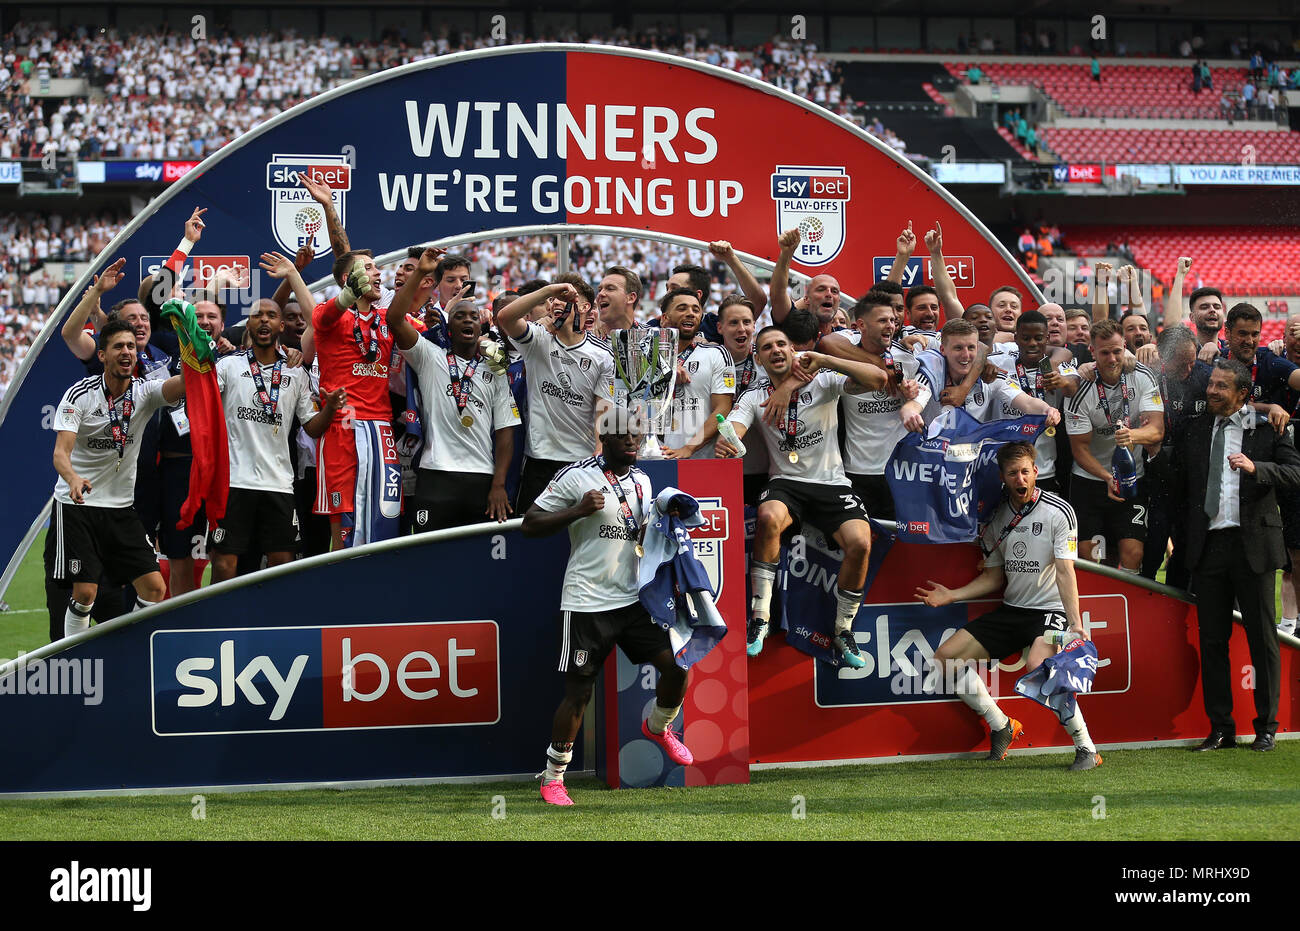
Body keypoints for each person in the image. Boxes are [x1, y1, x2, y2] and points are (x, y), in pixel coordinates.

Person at [523, 422, 692, 806]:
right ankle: (553, 778)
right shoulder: (575, 475)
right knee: (579, 694)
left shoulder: (645, 481)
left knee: (678, 667)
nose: (632, 440)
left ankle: (659, 727)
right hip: (587, 602)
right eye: (622, 435)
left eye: (636, 434)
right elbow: (530, 524)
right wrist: (578, 510)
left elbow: (644, 534)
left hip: (635, 600)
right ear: (606, 438)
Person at [915, 442, 1101, 770]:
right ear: (1003, 477)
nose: (1021, 478)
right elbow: (992, 578)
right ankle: (1002, 725)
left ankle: (1086, 748)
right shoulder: (996, 517)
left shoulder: (1059, 512)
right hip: (1012, 610)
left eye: (1026, 471)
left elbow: (1064, 569)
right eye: (1013, 473)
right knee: (945, 659)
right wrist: (952, 595)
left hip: (1049, 612)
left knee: (1039, 667)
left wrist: (1075, 624)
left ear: (1035, 472)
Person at [718, 327, 887, 666]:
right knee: (767, 517)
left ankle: (842, 629)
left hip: (832, 484)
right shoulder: (754, 396)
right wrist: (729, 442)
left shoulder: (824, 381)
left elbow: (879, 379)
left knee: (862, 542)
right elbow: (734, 430)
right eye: (767, 347)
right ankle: (760, 617)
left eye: (782, 343)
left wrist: (824, 358)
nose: (776, 350)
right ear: (759, 357)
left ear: (793, 349)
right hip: (786, 483)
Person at [1174, 359, 1300, 753]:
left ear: (1243, 394)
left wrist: (1256, 468)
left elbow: (1294, 474)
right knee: (1212, 642)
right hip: (1208, 548)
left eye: (1221, 387)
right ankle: (1221, 729)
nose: (1211, 391)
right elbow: (1181, 487)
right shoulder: (1195, 430)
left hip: (1254, 549)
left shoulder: (1268, 428)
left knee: (1263, 640)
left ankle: (1266, 728)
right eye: (1211, 384)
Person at [49, 319, 187, 638]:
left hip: (121, 509)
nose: (127, 352)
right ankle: (76, 652)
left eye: (131, 346)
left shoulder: (145, 392)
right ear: (102, 356)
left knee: (154, 588)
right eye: (118, 347)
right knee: (85, 593)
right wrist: (72, 478)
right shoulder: (80, 394)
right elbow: (60, 453)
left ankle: (130, 648)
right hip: (77, 506)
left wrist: (195, 349)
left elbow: (183, 385)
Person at [209, 300, 346, 582]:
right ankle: (222, 624)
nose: (263, 321)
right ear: (248, 325)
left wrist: (330, 409)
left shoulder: (296, 372)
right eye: (257, 315)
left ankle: (270, 625)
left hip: (278, 484)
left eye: (271, 316)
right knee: (224, 565)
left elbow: (312, 427)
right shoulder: (228, 366)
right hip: (234, 482)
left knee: (281, 565)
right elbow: (205, 404)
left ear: (281, 327)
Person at [388, 248, 519, 531]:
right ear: (448, 327)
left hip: (480, 477)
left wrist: (498, 484)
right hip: (435, 475)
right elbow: (394, 319)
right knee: (429, 560)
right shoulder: (429, 357)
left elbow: (506, 430)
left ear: (480, 326)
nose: (468, 320)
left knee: (475, 563)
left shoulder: (494, 369)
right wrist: (422, 271)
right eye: (460, 316)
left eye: (474, 316)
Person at [494, 280, 615, 512]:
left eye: (566, 297)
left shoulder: (602, 354)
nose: (557, 302)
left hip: (581, 461)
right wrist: (549, 290)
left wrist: (600, 449)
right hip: (539, 460)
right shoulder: (537, 339)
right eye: (554, 299)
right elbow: (505, 317)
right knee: (532, 534)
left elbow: (604, 408)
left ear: (585, 307)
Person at [1064, 319, 1165, 571]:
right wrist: (1108, 477)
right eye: (1105, 352)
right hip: (1090, 480)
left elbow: (1156, 430)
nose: (1111, 359)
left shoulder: (1142, 376)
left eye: (1117, 351)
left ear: (1124, 348)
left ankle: (1128, 608)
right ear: (1092, 352)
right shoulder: (1079, 389)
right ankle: (1095, 608)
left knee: (1133, 553)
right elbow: (1080, 450)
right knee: (1090, 556)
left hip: (1132, 478)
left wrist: (1133, 436)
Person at [820, 292, 930, 519]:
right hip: (856, 470)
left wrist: (912, 395)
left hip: (900, 469)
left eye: (892, 320)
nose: (891, 325)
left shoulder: (906, 357)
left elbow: (924, 388)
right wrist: (880, 366)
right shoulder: (845, 356)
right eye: (882, 321)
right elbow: (826, 342)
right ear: (861, 325)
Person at [988, 310, 1080, 491]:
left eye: (1038, 338)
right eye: (1025, 338)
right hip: (1005, 468)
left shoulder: (1055, 365)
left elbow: (1073, 385)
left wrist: (1063, 381)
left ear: (1047, 338)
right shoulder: (1000, 363)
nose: (1032, 344)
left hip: (1044, 467)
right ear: (1016, 338)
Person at [919, 319, 1061, 428]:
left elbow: (1028, 403)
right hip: (930, 460)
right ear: (943, 349)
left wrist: (1048, 410)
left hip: (970, 460)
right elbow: (913, 405)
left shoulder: (991, 378)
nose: (966, 355)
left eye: (971, 348)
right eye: (958, 348)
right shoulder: (930, 374)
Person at [658, 287, 735, 458]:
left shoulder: (716, 354)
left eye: (696, 309)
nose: (691, 313)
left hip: (700, 460)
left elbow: (722, 408)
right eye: (682, 308)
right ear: (664, 318)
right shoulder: (647, 357)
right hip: (654, 457)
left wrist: (689, 448)